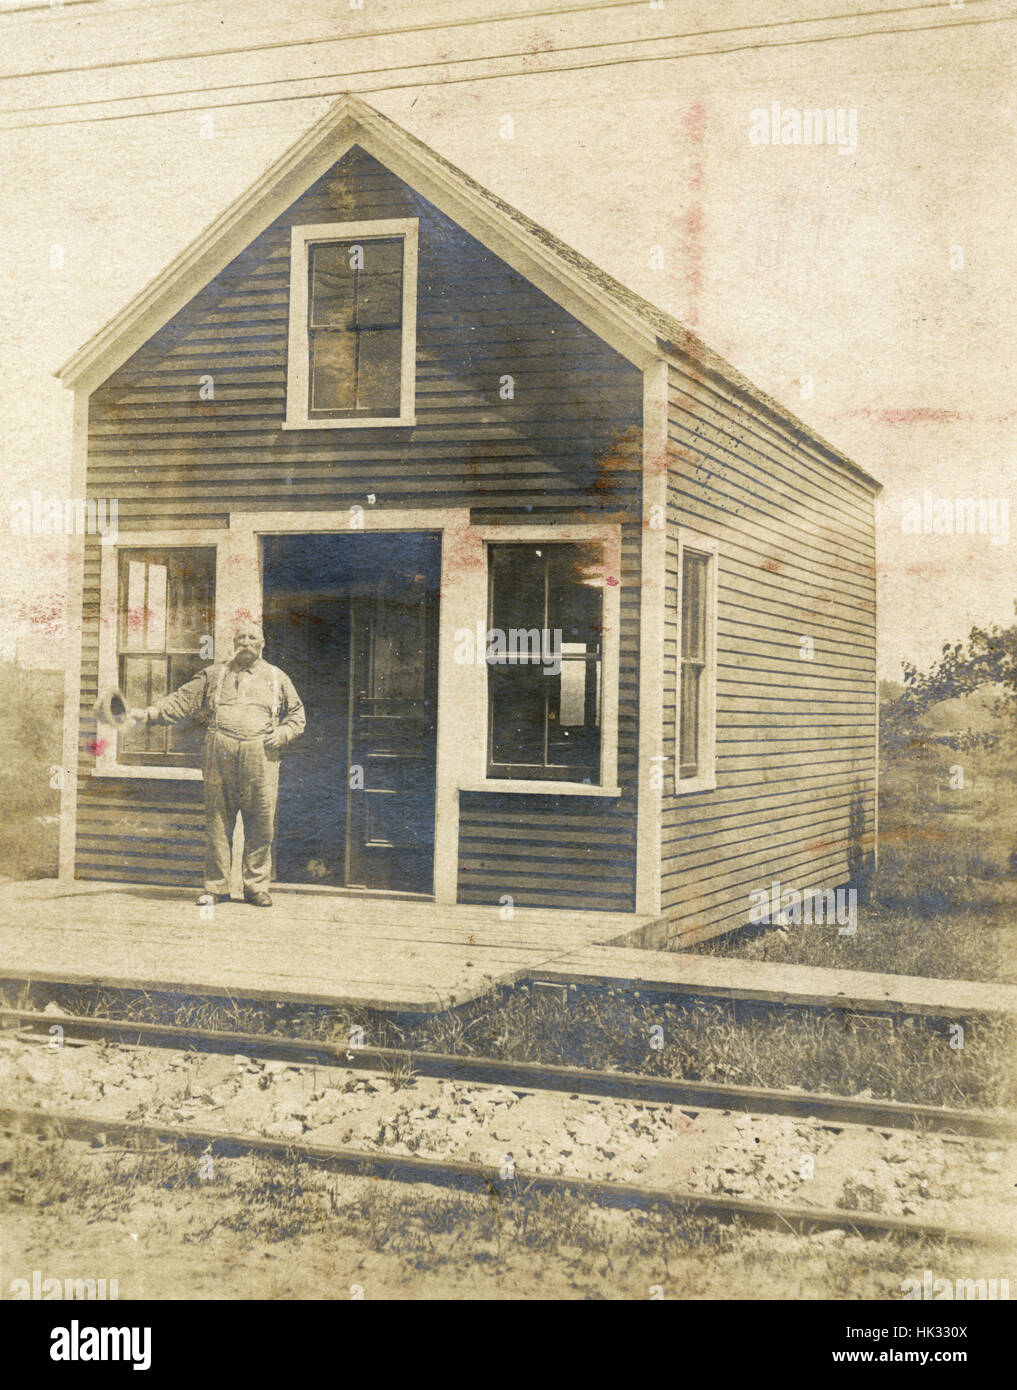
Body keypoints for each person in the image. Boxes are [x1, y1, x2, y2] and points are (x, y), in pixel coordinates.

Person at [130, 624, 305, 907]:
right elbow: (182, 701)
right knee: (217, 820)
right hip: (219, 749)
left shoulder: (277, 677)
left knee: (261, 821)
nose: (245, 642)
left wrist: (283, 733)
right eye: (240, 638)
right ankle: (217, 887)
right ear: (234, 643)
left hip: (260, 752)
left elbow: (297, 714)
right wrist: (148, 714)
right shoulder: (215, 674)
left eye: (252, 638)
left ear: (262, 643)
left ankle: (256, 887)